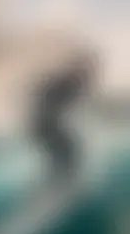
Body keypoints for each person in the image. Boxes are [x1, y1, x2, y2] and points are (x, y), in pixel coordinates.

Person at [28, 47, 99, 185]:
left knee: (66, 153)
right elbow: (45, 97)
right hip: (45, 123)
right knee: (69, 152)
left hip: (43, 123)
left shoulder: (67, 79)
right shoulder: (72, 81)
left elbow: (41, 94)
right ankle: (61, 183)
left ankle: (58, 181)